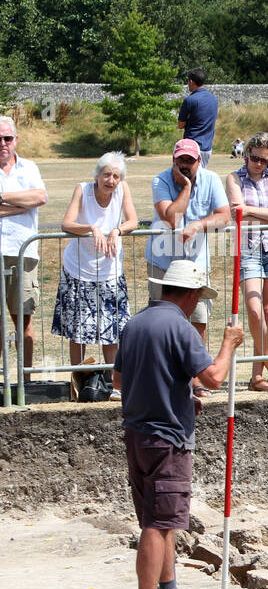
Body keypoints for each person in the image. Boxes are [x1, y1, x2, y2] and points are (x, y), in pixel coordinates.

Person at [115, 260, 243, 589]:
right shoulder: (181, 328)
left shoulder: (135, 323)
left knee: (163, 520)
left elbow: (121, 379)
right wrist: (228, 344)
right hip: (167, 440)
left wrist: (182, 396)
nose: (196, 305)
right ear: (190, 294)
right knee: (157, 525)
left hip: (138, 434)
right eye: (198, 298)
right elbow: (215, 378)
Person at [55, 152, 138, 400]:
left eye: (115, 175)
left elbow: (133, 220)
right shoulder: (82, 190)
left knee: (110, 329)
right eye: (106, 174)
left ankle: (114, 385)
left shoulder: (123, 189)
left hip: (110, 271)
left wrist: (117, 230)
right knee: (77, 331)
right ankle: (77, 381)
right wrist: (92, 228)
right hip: (79, 270)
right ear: (97, 175)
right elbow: (66, 224)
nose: (110, 180)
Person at [148, 138, 231, 369]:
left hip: (195, 264)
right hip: (163, 264)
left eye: (190, 161)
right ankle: (164, 372)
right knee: (162, 323)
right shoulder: (160, 180)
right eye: (180, 160)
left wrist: (197, 225)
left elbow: (224, 216)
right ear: (173, 161)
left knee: (198, 320)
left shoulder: (211, 179)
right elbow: (172, 218)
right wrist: (186, 187)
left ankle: (196, 377)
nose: (185, 165)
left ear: (199, 161)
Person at [226, 133, 268, 393]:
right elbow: (236, 213)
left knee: (266, 314)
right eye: (255, 158)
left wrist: (252, 211)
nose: (259, 164)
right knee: (254, 311)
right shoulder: (234, 178)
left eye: (265, 160)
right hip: (248, 249)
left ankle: (257, 376)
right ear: (246, 155)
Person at [0, 115, 48, 371]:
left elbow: (40, 197)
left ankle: (25, 380)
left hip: (23, 253)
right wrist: (21, 205)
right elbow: (30, 201)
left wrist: (2, 198)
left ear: (16, 140)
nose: (3, 143)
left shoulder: (29, 168)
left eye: (7, 138)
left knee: (23, 319)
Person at [177, 69, 218, 169]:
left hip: (191, 147)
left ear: (191, 81)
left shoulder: (189, 100)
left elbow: (180, 125)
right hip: (207, 147)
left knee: (189, 178)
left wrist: (188, 118)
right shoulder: (213, 99)